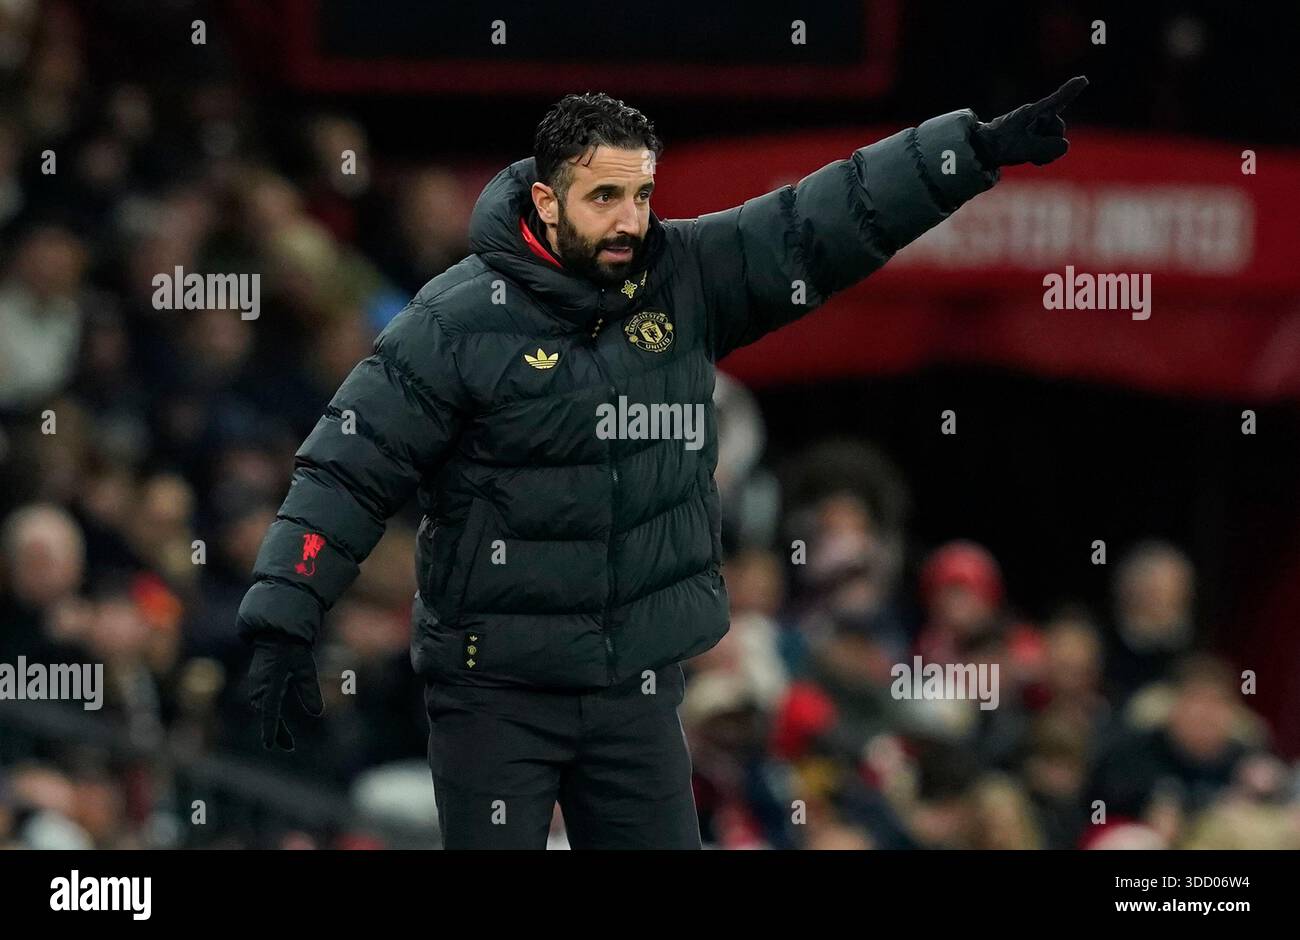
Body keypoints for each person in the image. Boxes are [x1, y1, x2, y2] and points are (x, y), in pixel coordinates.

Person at [236, 81, 1088, 849]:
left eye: (642, 194)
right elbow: (344, 473)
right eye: (605, 196)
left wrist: (963, 153)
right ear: (545, 198)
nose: (630, 219)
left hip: (635, 694)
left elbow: (823, 219)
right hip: (494, 695)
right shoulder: (453, 321)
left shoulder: (688, 274)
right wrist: (282, 618)